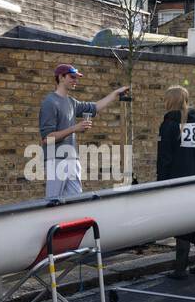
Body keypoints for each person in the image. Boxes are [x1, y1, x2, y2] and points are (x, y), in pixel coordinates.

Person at [38, 64, 128, 200]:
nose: (75, 81)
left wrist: (115, 93)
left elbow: (95, 107)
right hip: (56, 160)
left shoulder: (71, 102)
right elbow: (47, 139)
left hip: (73, 160)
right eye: (72, 77)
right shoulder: (49, 103)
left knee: (76, 203)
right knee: (54, 203)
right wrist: (74, 128)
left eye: (76, 78)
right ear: (61, 78)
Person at [156, 86, 195, 278]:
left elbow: (164, 159)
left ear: (170, 101)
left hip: (178, 182)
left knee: (181, 224)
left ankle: (180, 268)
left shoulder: (169, 125)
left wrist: (160, 185)